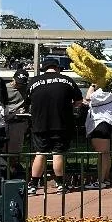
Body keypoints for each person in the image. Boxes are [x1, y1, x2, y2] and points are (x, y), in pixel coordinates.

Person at [27, 55, 83, 194]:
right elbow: (78, 101)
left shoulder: (34, 81)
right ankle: (60, 185)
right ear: (57, 68)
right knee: (58, 153)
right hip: (62, 124)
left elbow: (27, 101)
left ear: (43, 69)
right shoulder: (67, 81)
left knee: (40, 153)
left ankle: (33, 185)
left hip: (40, 124)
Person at [83, 83, 112, 189]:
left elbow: (88, 97)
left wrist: (93, 85)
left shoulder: (105, 91)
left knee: (101, 154)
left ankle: (101, 180)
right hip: (106, 124)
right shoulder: (109, 93)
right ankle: (105, 179)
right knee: (105, 153)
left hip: (100, 124)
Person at [1, 69, 31, 177]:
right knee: (3, 148)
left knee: (15, 150)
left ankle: (14, 170)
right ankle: (5, 170)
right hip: (5, 120)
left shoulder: (26, 89)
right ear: (13, 79)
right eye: (17, 82)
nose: (18, 85)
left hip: (19, 122)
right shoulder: (5, 88)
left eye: (22, 83)